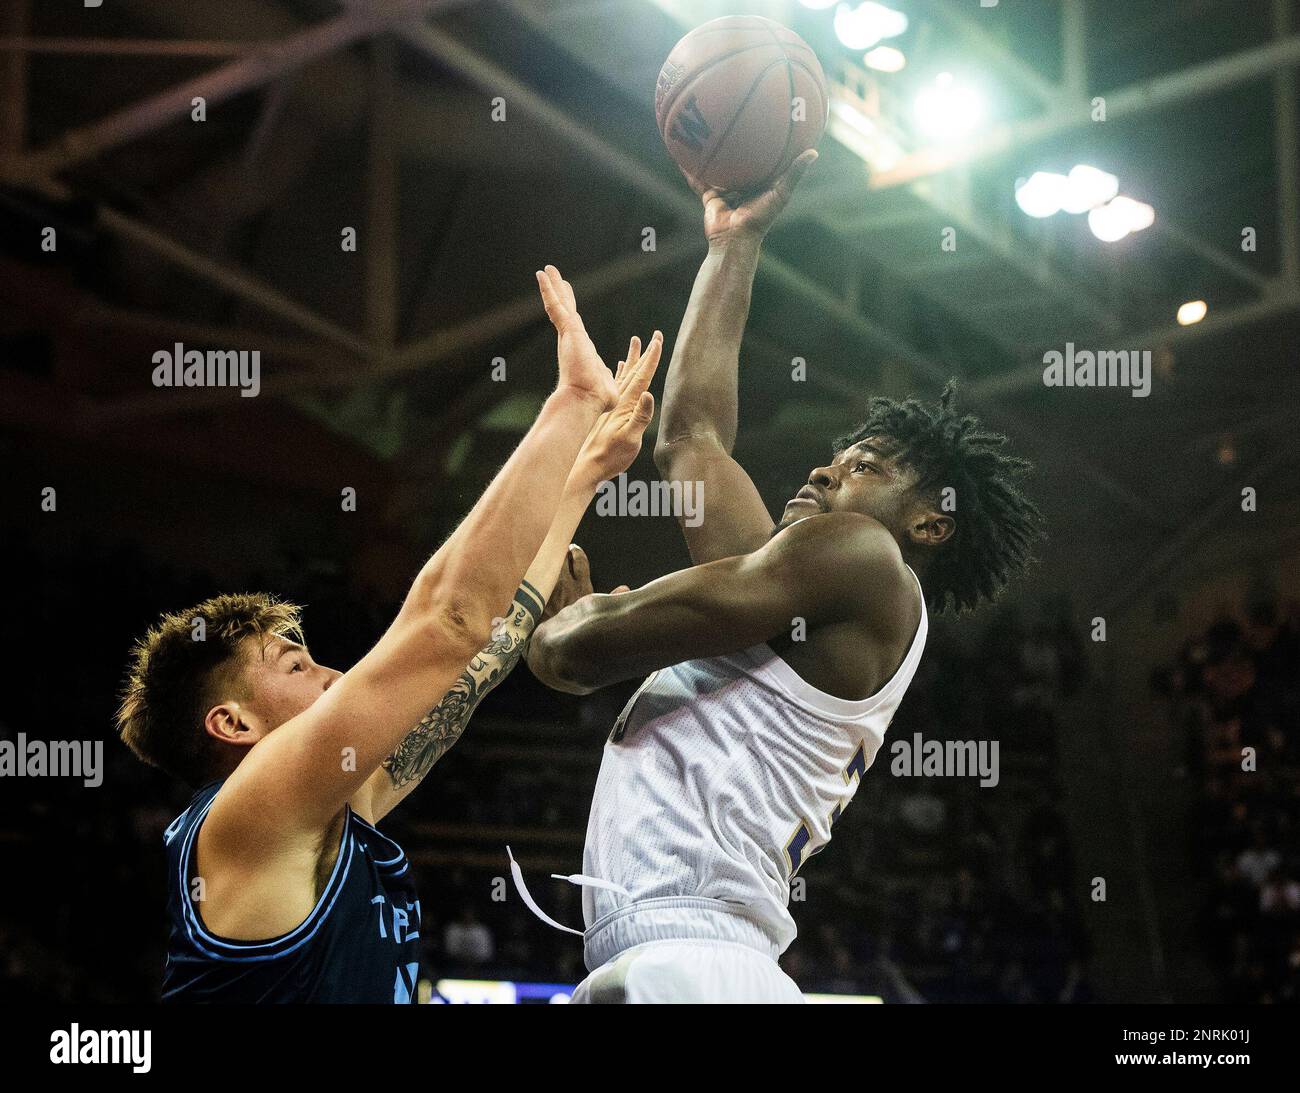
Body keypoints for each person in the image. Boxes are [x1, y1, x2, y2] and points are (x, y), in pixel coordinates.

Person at [525, 155, 1045, 1003]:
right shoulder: (807, 590)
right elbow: (690, 435)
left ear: (929, 523)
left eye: (864, 465)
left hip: (695, 964)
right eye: (838, 457)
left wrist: (567, 626)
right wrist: (737, 242)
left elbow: (572, 658)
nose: (827, 470)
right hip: (671, 958)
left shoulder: (866, 560)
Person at [115, 267, 661, 1002]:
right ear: (232, 720)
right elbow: (449, 619)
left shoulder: (336, 806)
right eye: (296, 664)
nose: (335, 675)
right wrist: (571, 403)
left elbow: (474, 660)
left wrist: (583, 476)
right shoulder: (255, 806)